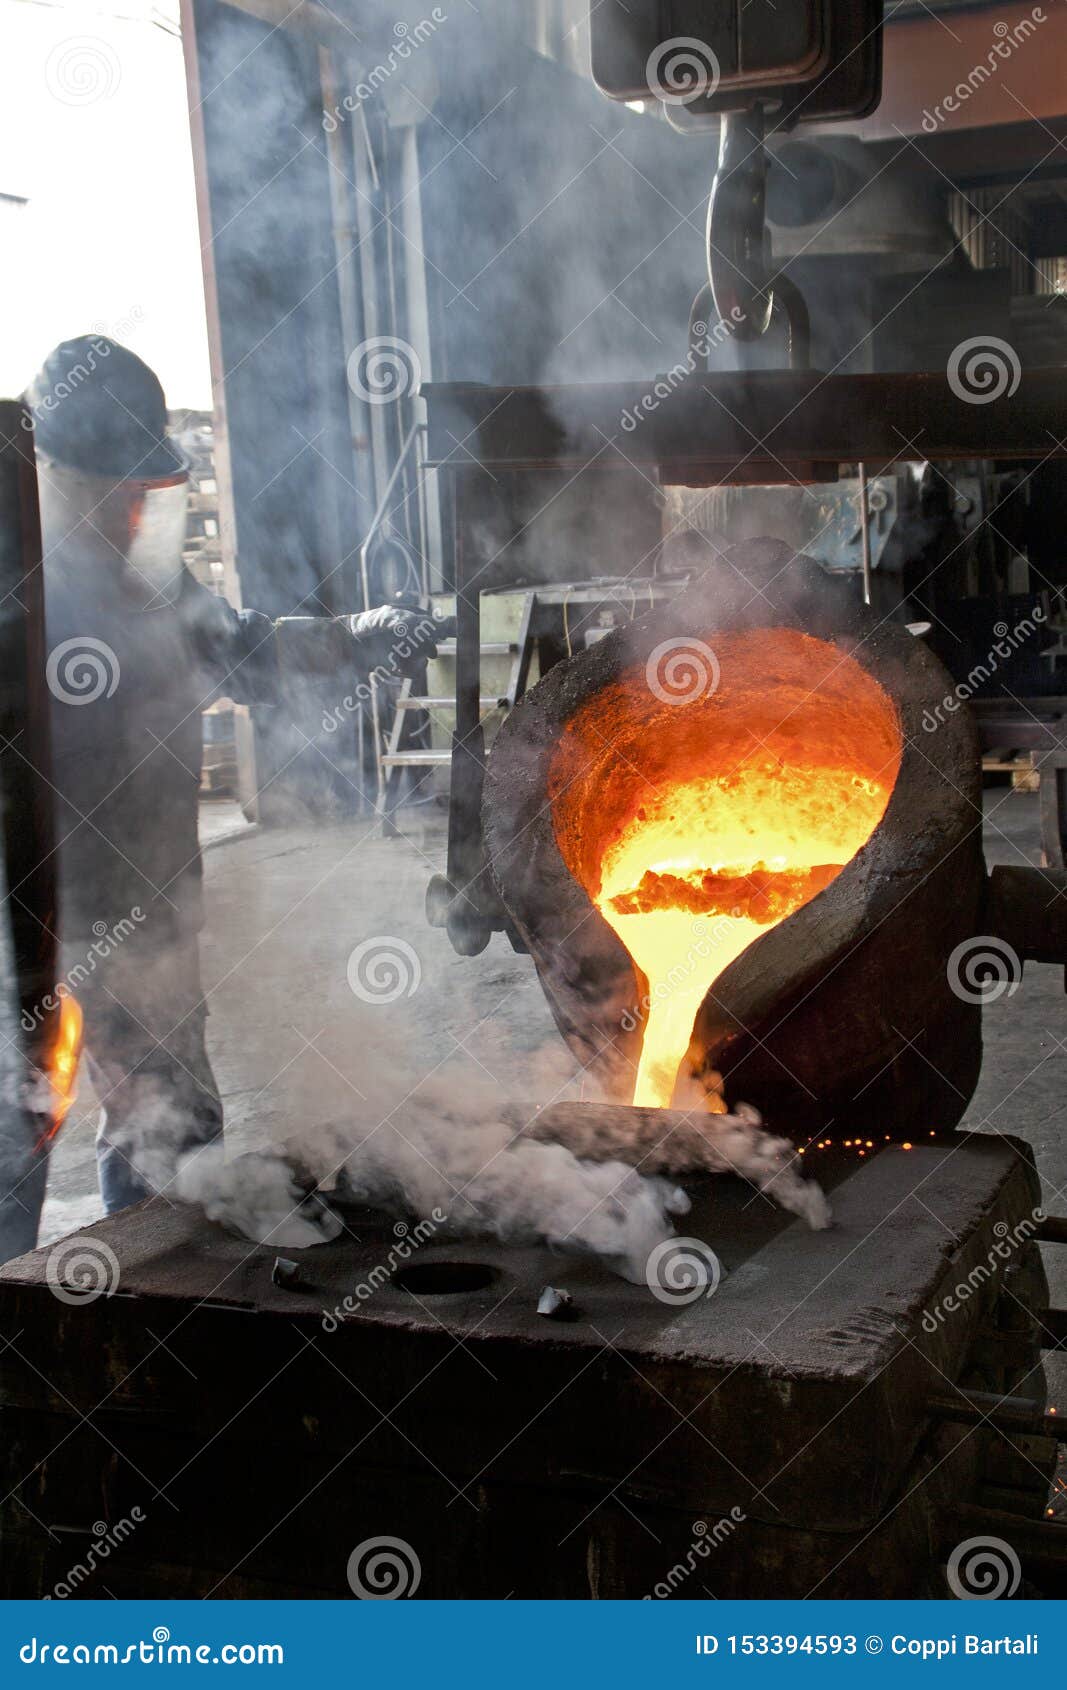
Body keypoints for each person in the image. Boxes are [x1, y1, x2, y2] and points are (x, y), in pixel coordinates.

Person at [17, 333, 435, 1232]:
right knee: (15, 1132)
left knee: (171, 1134)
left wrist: (357, 635)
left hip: (145, 913)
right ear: (57, 478)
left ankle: (157, 1276)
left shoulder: (147, 582)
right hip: (24, 928)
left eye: (144, 491)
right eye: (116, 493)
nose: (134, 511)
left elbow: (243, 649)